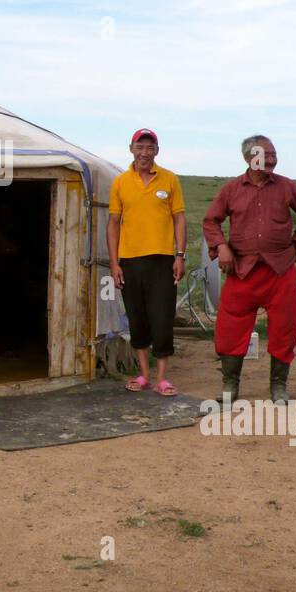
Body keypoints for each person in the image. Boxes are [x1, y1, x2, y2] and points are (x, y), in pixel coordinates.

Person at [202, 135, 296, 405]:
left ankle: (278, 386)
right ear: (248, 158)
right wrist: (221, 247)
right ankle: (230, 385)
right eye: (264, 154)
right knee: (230, 327)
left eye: (274, 154)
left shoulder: (288, 187)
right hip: (242, 269)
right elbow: (211, 221)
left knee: (285, 327)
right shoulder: (231, 189)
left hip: (280, 270)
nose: (271, 159)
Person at [107, 129, 188, 396]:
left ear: (157, 150)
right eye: (140, 146)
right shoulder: (120, 182)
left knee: (162, 318)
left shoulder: (169, 179)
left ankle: (163, 378)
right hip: (130, 260)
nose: (144, 152)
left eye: (149, 147)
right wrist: (115, 263)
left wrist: (180, 255)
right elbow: (114, 223)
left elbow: (179, 219)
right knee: (137, 317)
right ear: (131, 148)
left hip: (163, 260)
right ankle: (143, 375)